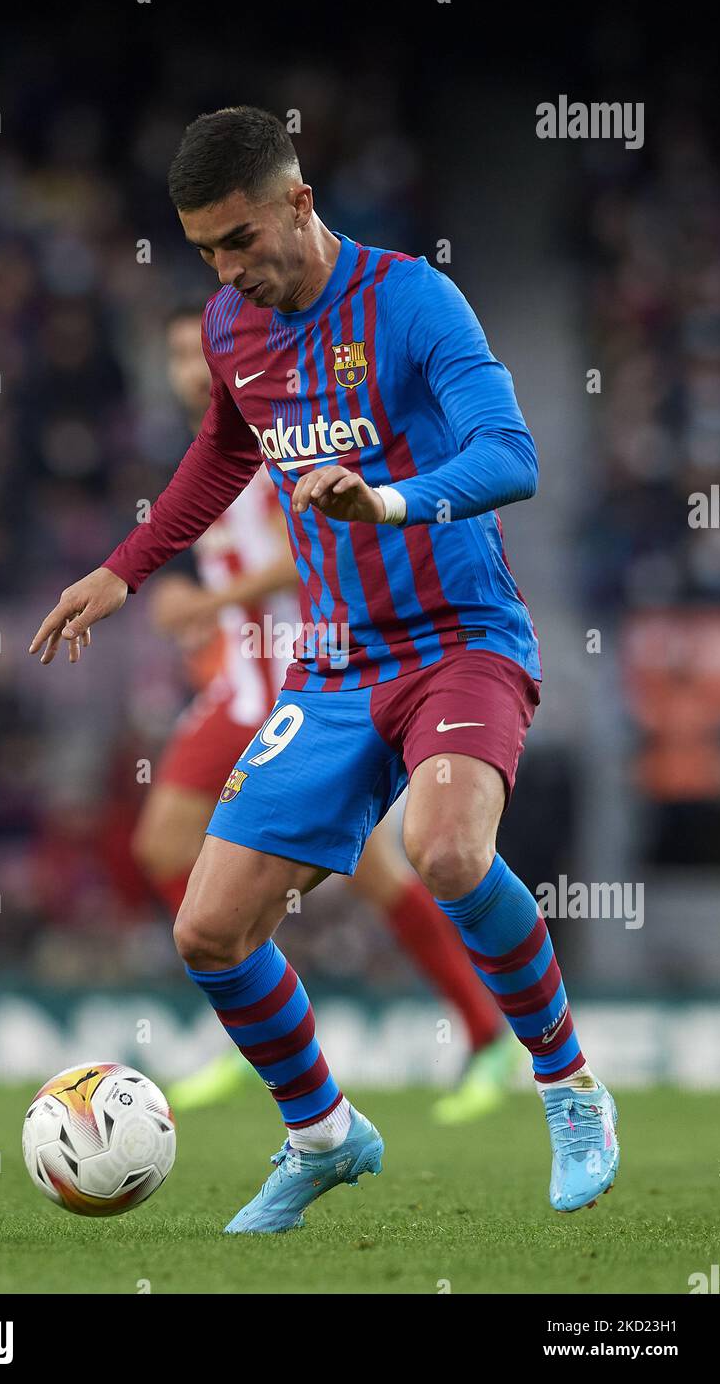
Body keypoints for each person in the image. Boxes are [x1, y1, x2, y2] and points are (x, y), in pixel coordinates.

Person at [30, 105, 619, 1233]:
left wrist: (385, 497)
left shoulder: (409, 299)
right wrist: (127, 568)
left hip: (458, 640)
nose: (226, 269)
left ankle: (566, 1084)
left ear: (299, 204)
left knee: (442, 853)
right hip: (335, 667)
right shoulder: (227, 327)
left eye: (240, 239)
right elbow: (223, 448)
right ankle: (324, 1133)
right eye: (206, 249)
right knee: (205, 931)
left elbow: (511, 453)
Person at [134, 306, 519, 1123]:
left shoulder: (281, 429)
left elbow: (315, 550)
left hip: (299, 675)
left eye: (193, 353)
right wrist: (173, 589)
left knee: (381, 870)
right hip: (237, 684)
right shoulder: (216, 452)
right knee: (166, 843)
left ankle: (484, 1035)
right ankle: (262, 1009)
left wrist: (213, 598)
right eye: (174, 356)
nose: (190, 371)